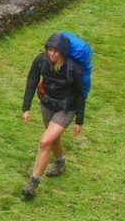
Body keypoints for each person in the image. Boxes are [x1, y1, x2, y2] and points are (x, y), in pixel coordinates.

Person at [21, 32, 86, 200]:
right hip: (47, 104)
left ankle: (33, 182)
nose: (52, 54)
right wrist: (26, 107)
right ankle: (60, 162)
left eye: (56, 51)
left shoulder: (73, 68)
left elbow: (80, 95)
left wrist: (79, 119)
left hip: (66, 109)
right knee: (53, 139)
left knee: (44, 142)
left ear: (63, 52)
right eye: (49, 49)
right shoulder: (41, 61)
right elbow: (32, 81)